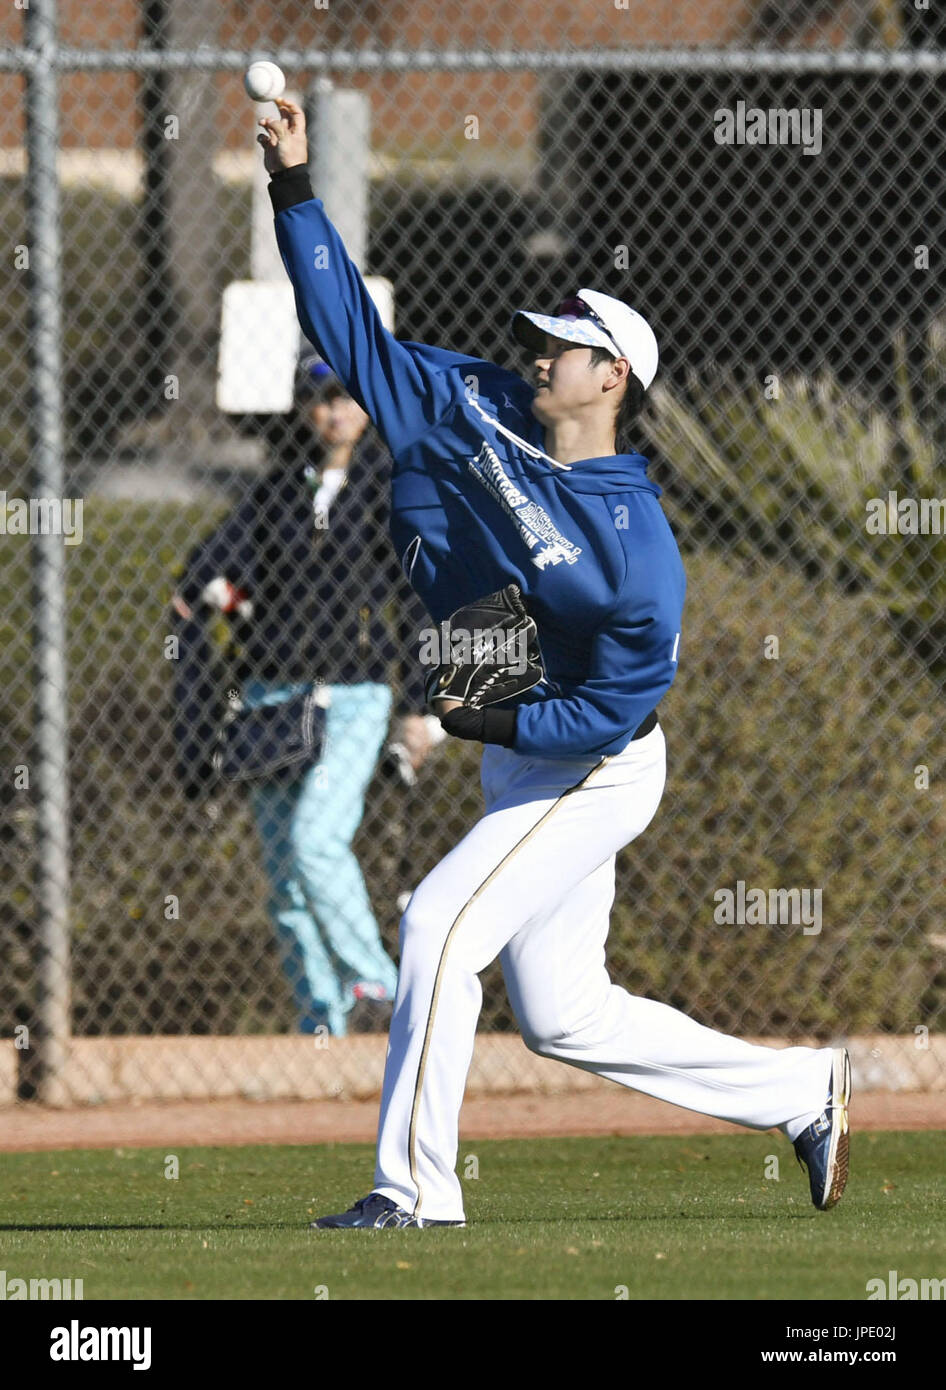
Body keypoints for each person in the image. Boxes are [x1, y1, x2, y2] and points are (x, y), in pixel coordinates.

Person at [257, 99, 850, 1227]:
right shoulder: (472, 401)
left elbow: (612, 710)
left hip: (596, 765)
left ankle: (416, 1190)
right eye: (540, 337)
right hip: (523, 744)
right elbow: (348, 330)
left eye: (565, 347)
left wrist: (486, 722)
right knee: (564, 1015)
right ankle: (798, 1087)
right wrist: (294, 189)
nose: (538, 353)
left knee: (435, 922)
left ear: (612, 379)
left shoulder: (638, 557)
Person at [172, 357, 437, 1037]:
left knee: (316, 839)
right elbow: (207, 570)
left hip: (355, 695)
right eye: (319, 398)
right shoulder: (276, 493)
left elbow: (418, 603)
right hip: (271, 697)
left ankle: (375, 982)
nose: (333, 410)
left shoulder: (393, 489)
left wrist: (422, 706)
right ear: (302, 409)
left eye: (346, 396)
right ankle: (321, 1024)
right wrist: (221, 598)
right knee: (286, 882)